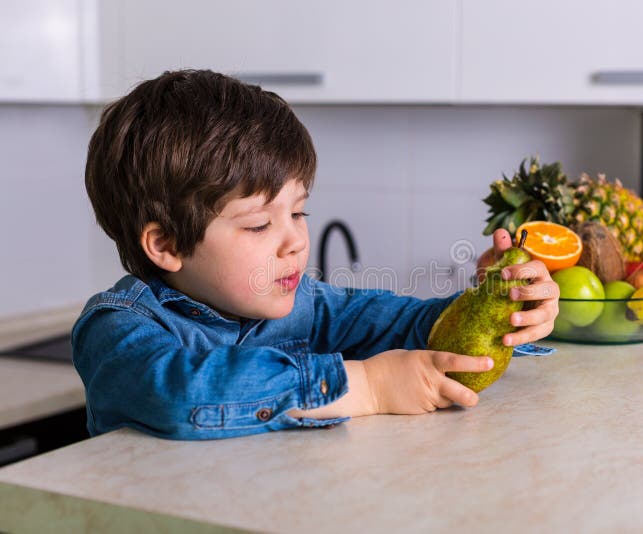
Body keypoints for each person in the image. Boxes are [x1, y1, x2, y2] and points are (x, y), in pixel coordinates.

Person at [73, 69, 559, 440]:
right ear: (167, 245)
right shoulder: (118, 328)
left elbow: (409, 325)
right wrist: (366, 386)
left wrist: (499, 304)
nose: (296, 241)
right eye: (261, 224)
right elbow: (180, 394)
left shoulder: (307, 305)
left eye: (299, 214)